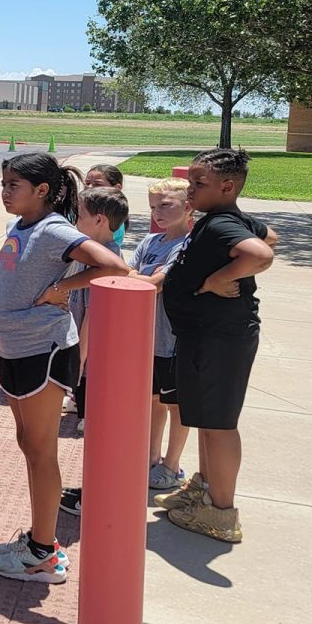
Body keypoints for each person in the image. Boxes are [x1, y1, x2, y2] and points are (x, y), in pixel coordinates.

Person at [0, 153, 126, 583]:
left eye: (14, 185)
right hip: (16, 348)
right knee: (29, 443)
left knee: (42, 450)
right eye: (4, 183)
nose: (5, 191)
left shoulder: (52, 229)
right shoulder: (22, 226)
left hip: (42, 349)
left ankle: (43, 553)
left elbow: (115, 265)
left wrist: (62, 288)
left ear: (42, 190)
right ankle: (38, 538)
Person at [159, 148, 276, 543]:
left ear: (227, 186)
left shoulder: (222, 223)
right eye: (191, 181)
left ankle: (221, 514)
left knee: (220, 424)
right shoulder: (224, 219)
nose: (190, 190)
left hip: (220, 337)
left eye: (199, 184)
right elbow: (269, 234)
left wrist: (214, 280)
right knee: (207, 420)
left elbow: (261, 253)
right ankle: (205, 488)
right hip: (202, 334)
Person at [52, 185, 128, 518]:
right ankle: (90, 487)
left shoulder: (107, 260)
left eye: (79, 215)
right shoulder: (91, 252)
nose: (74, 220)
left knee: (100, 428)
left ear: (98, 220)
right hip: (88, 361)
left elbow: (94, 317)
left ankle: (96, 493)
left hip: (95, 361)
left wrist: (79, 359)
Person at [136, 179, 194, 492]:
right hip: (149, 339)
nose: (158, 212)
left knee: (176, 404)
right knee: (153, 400)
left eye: (165, 205)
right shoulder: (150, 243)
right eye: (153, 207)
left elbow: (156, 283)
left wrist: (140, 278)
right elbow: (123, 272)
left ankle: (171, 465)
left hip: (172, 340)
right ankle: (151, 458)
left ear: (188, 207)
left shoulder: (186, 245)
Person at [84, 163, 127, 248]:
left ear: (117, 188)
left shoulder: (112, 218)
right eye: (87, 183)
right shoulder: (86, 209)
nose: (89, 187)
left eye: (97, 184)